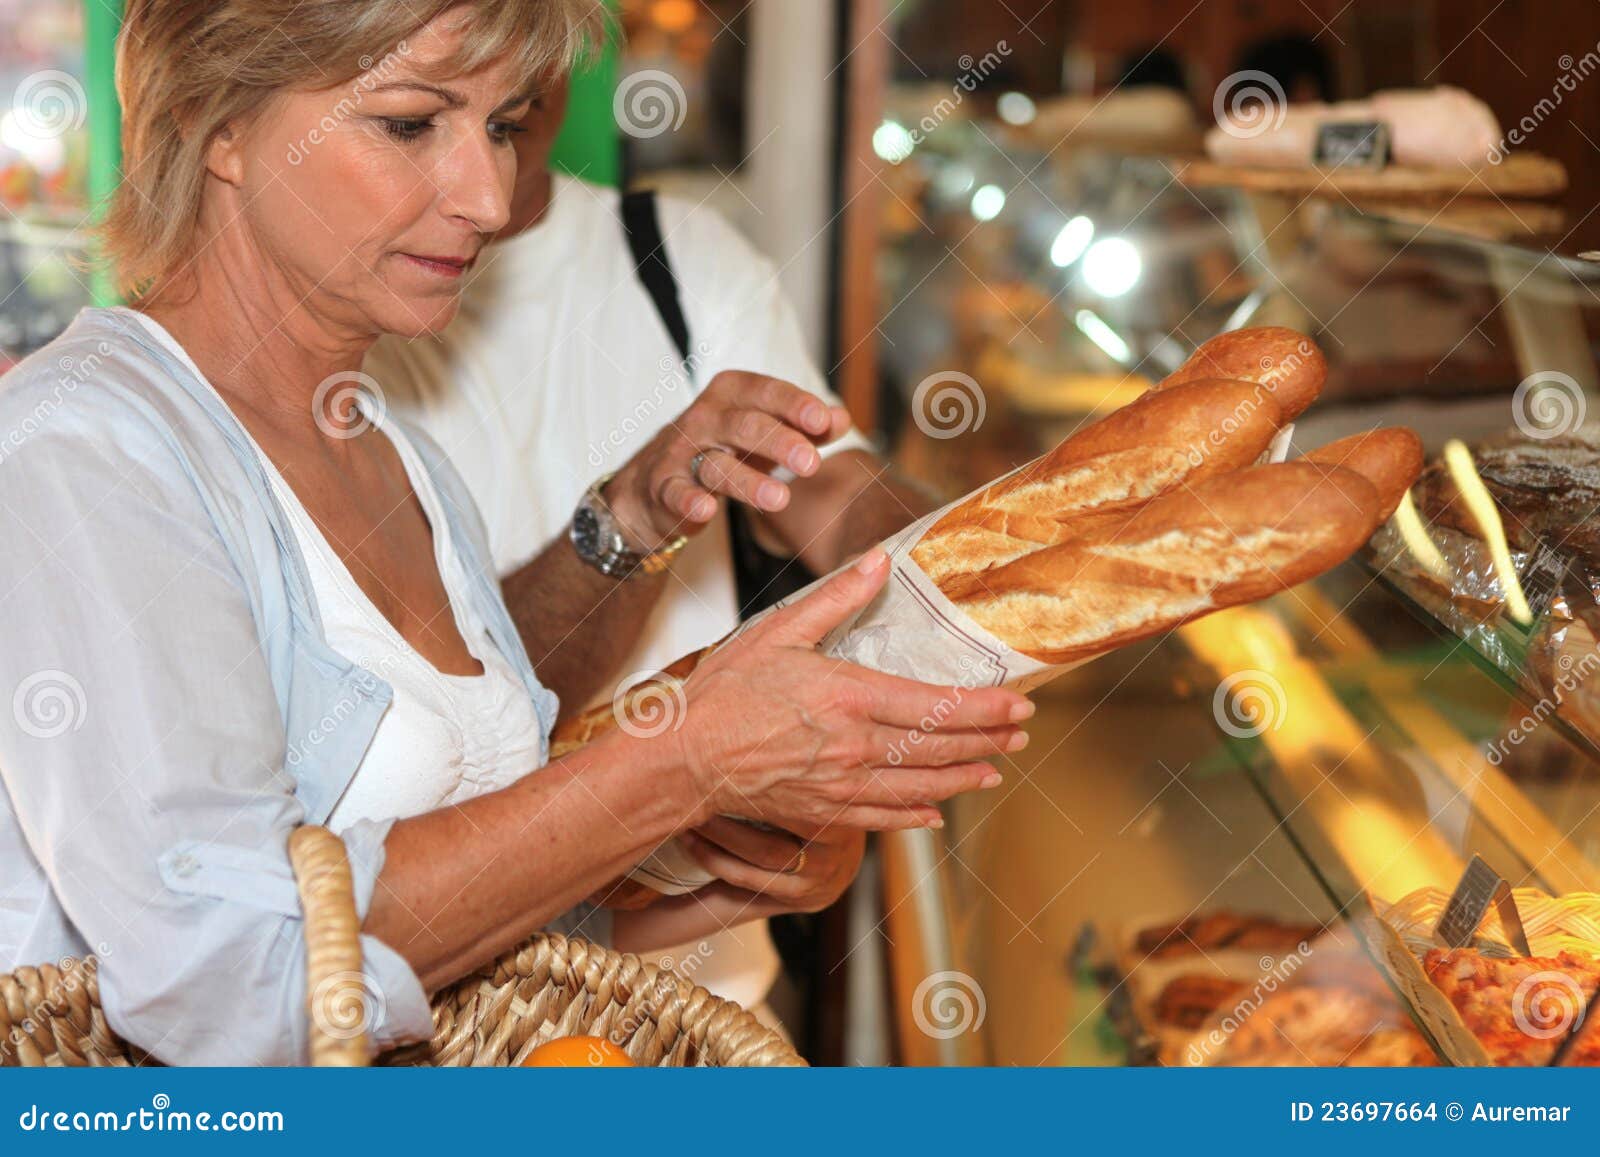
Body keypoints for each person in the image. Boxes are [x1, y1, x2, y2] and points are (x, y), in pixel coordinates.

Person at [0, 0, 1031, 1066]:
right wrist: (680, 761)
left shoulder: (400, 459)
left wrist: (720, 867)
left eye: (501, 126)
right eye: (409, 124)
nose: (488, 198)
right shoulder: (85, 448)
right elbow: (230, 983)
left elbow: (473, 949)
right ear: (217, 122)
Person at [367, 76, 944, 1020]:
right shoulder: (337, 323)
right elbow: (454, 724)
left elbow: (829, 494)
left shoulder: (674, 254)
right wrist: (629, 519)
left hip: (707, 1006)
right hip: (451, 1021)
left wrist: (997, 546)